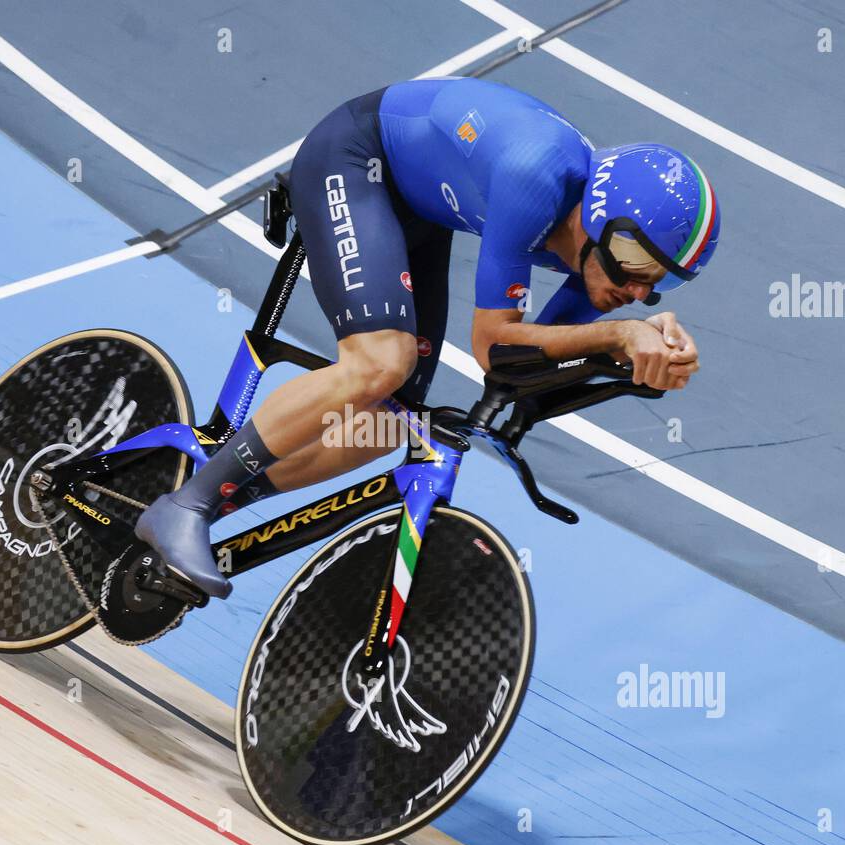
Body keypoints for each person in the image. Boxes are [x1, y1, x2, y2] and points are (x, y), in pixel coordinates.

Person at [136, 76, 721, 599]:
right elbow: (495, 345)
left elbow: (520, 370)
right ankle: (185, 506)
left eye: (663, 282)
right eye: (639, 269)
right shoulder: (532, 180)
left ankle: (222, 494)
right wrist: (620, 335)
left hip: (416, 209)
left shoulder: (596, 260)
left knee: (385, 425)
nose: (642, 292)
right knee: (379, 364)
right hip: (353, 157)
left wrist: (636, 362)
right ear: (605, 225)